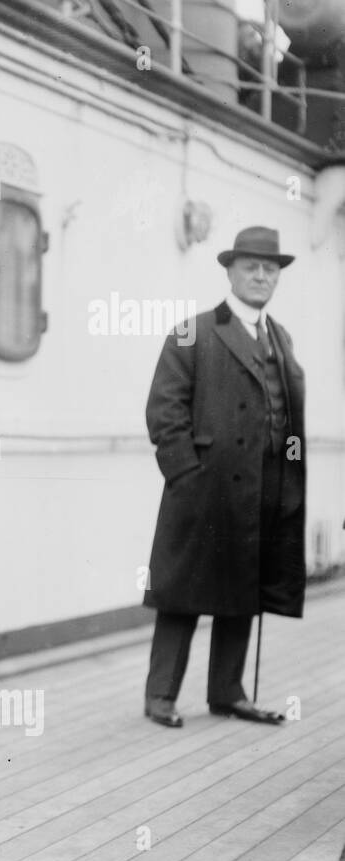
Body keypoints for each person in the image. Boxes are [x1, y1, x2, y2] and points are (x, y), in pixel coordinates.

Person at [143, 226, 306, 729]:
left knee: (245, 592)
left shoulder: (280, 337)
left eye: (270, 268)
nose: (261, 275)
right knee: (183, 594)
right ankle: (160, 697)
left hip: (263, 490)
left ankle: (228, 693)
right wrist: (187, 478)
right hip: (203, 489)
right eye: (251, 266)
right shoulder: (193, 331)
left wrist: (288, 482)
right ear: (230, 271)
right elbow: (164, 414)